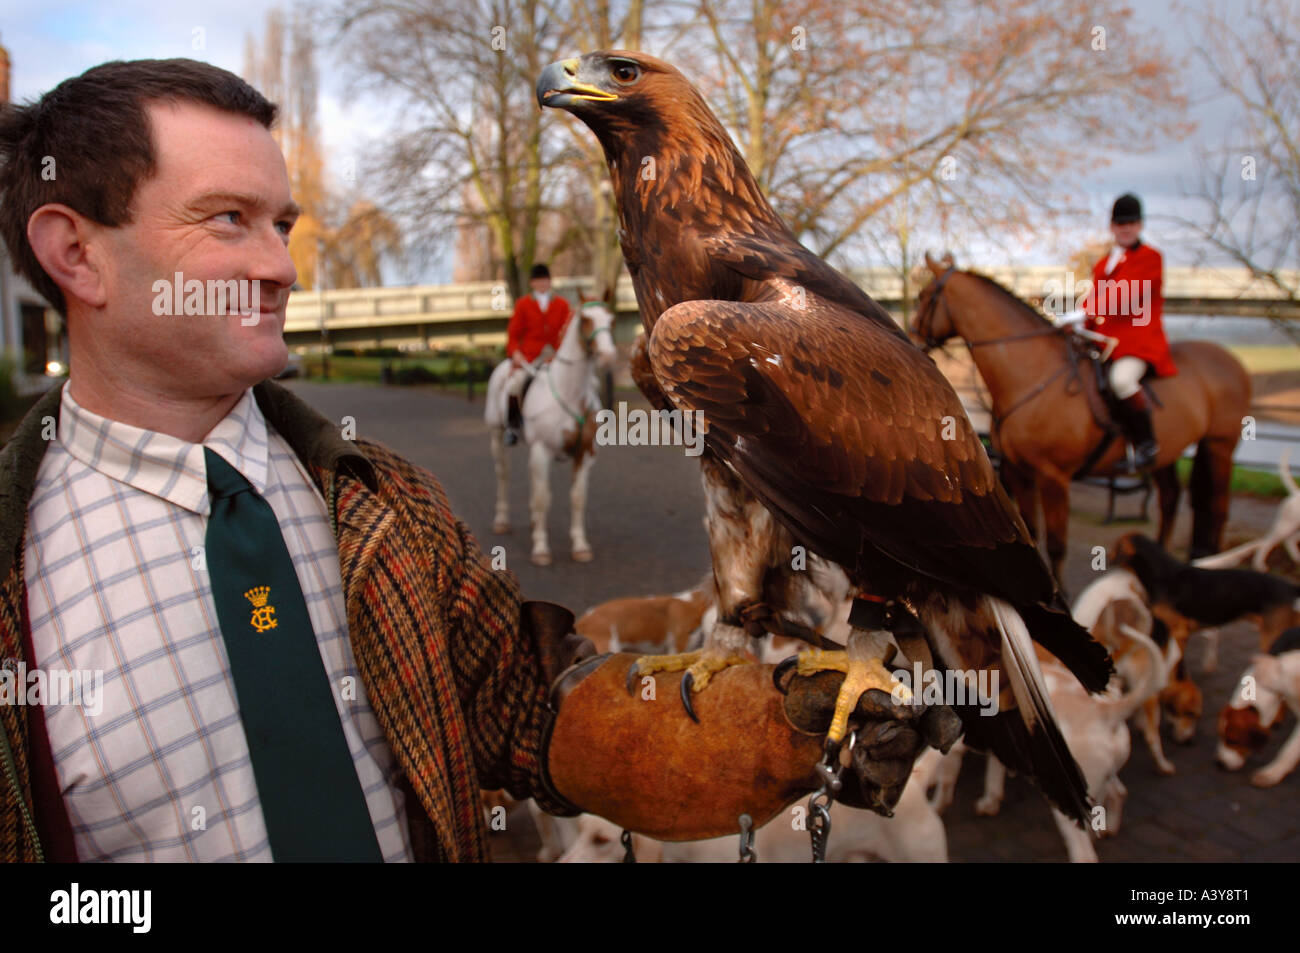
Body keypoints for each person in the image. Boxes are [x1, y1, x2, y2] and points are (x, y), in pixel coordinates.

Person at [0, 59, 934, 862]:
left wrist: (759, 732)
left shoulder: (386, 501)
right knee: (512, 388)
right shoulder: (16, 584)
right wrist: (522, 360)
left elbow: (522, 704)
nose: (283, 267)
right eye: (228, 221)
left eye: (282, 225)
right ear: (76, 254)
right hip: (521, 358)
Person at [1072, 193, 1177, 471]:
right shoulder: (1103, 264)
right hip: (1104, 343)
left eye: (1131, 223)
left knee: (1121, 381)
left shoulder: (1150, 258)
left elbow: (1124, 296)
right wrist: (1078, 325)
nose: (1126, 228)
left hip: (1138, 343)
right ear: (1112, 227)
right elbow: (1096, 298)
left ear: (1140, 225)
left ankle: (1147, 444)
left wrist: (1084, 313)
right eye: (1120, 223)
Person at [502, 264, 568, 445]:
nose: (542, 283)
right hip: (531, 357)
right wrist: (515, 353)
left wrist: (562, 353)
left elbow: (567, 332)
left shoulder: (562, 304)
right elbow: (513, 334)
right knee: (514, 385)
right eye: (538, 280)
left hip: (557, 356)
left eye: (545, 280)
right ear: (532, 283)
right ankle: (513, 427)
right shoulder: (523, 304)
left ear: (550, 281)